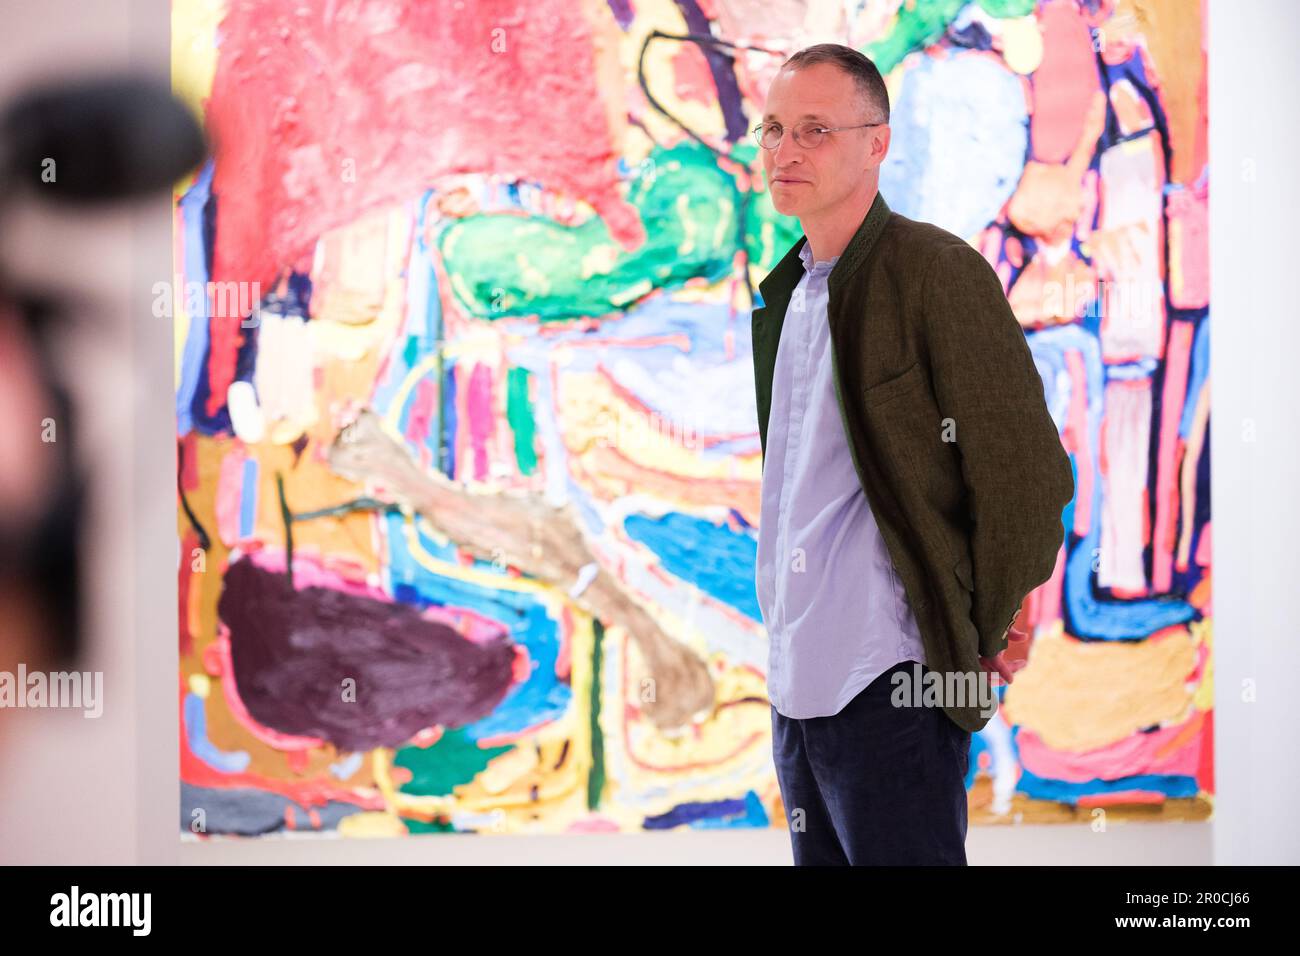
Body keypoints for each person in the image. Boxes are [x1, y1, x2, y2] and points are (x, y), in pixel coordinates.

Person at [752, 44, 1075, 865]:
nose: (786, 152)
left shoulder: (936, 273)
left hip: (894, 677)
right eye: (775, 129)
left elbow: (1026, 478)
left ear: (877, 143)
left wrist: (983, 624)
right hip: (797, 683)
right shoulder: (789, 291)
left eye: (816, 130)